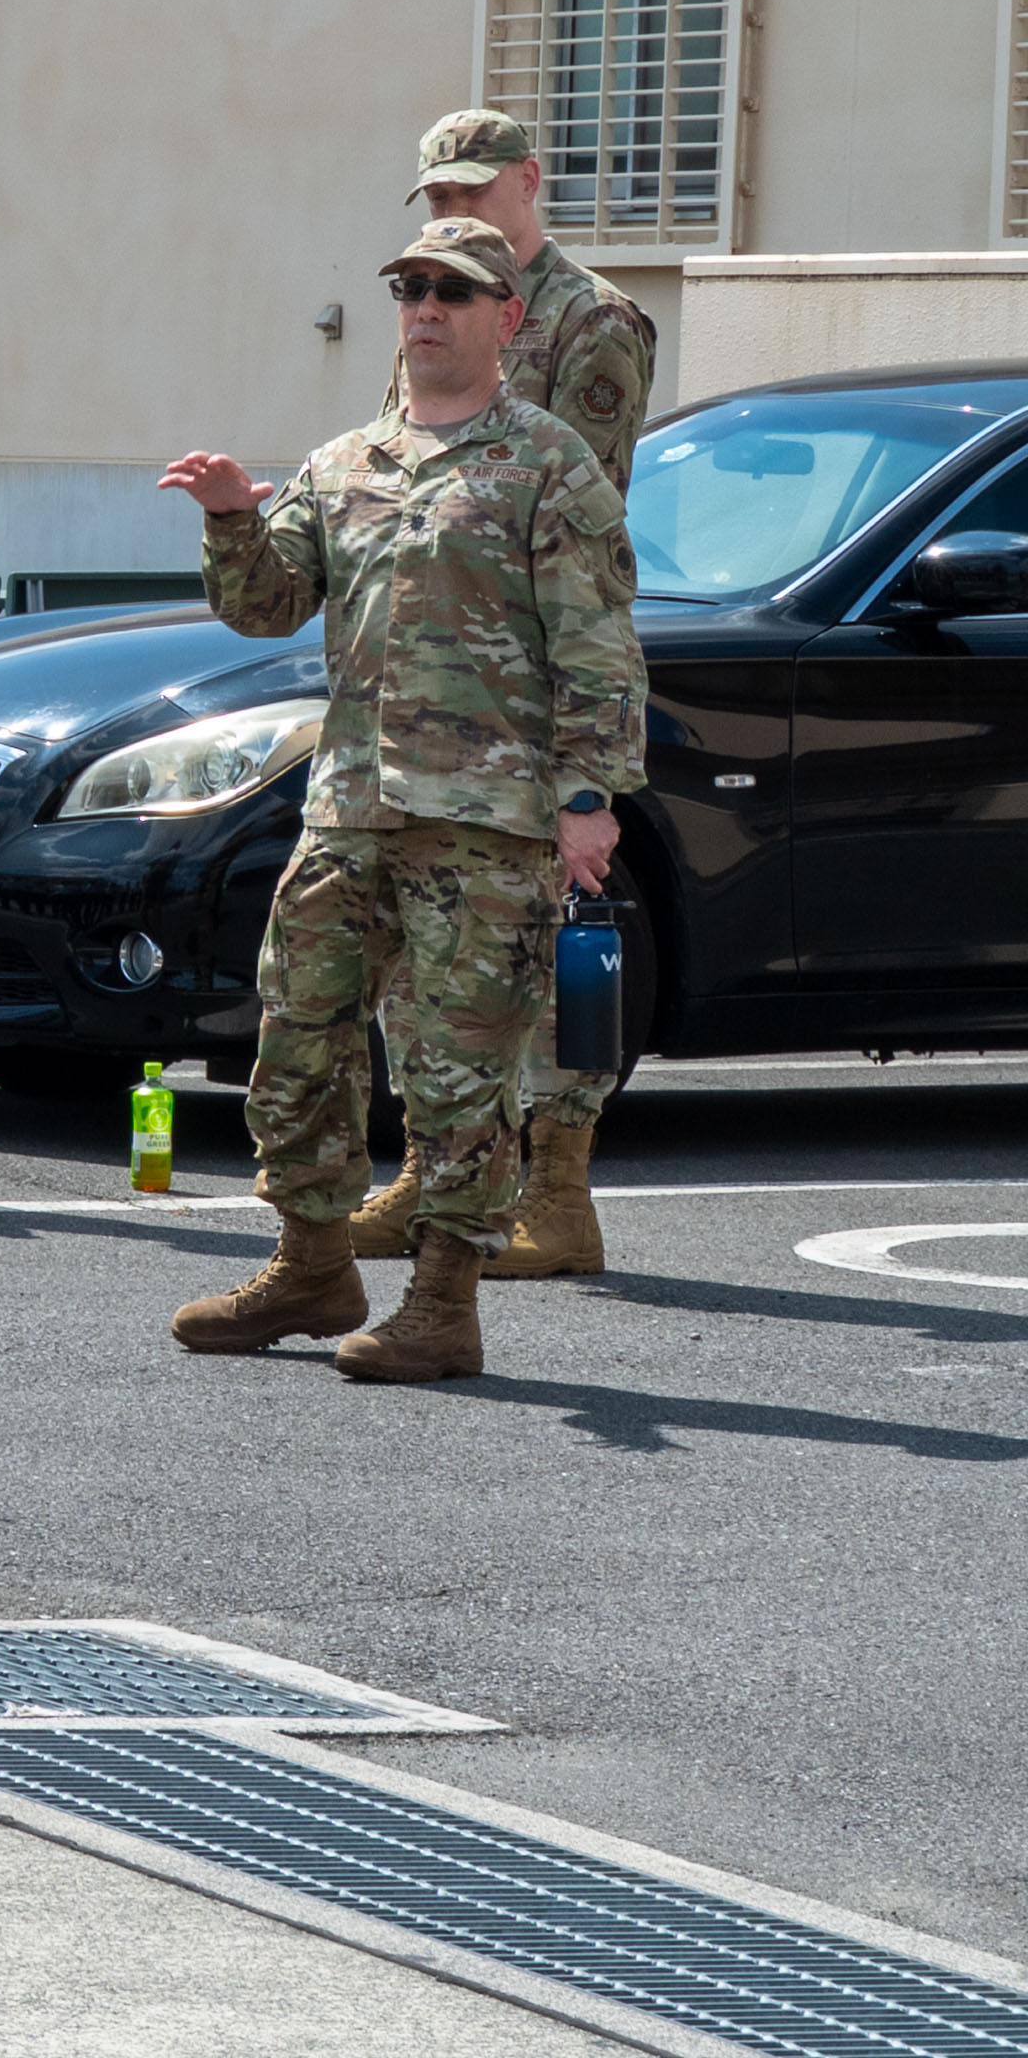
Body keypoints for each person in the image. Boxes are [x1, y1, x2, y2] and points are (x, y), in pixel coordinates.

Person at [158, 215, 643, 1385]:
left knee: (457, 1067)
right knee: (301, 1036)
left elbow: (596, 646)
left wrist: (587, 795)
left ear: (504, 319)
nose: (425, 307)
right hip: (348, 810)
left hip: (483, 826)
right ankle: (312, 1262)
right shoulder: (344, 464)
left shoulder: (546, 464)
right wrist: (230, 516)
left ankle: (441, 1301)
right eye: (411, 288)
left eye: (453, 291)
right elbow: (267, 604)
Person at [359, 107, 656, 1280]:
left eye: (476, 191)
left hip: (528, 678)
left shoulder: (595, 322)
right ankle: (433, 1177)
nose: (455, 213)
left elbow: (586, 514)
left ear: (529, 184)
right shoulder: (434, 302)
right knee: (419, 942)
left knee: (535, 939)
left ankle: (558, 1192)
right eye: (436, 196)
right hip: (425, 673)